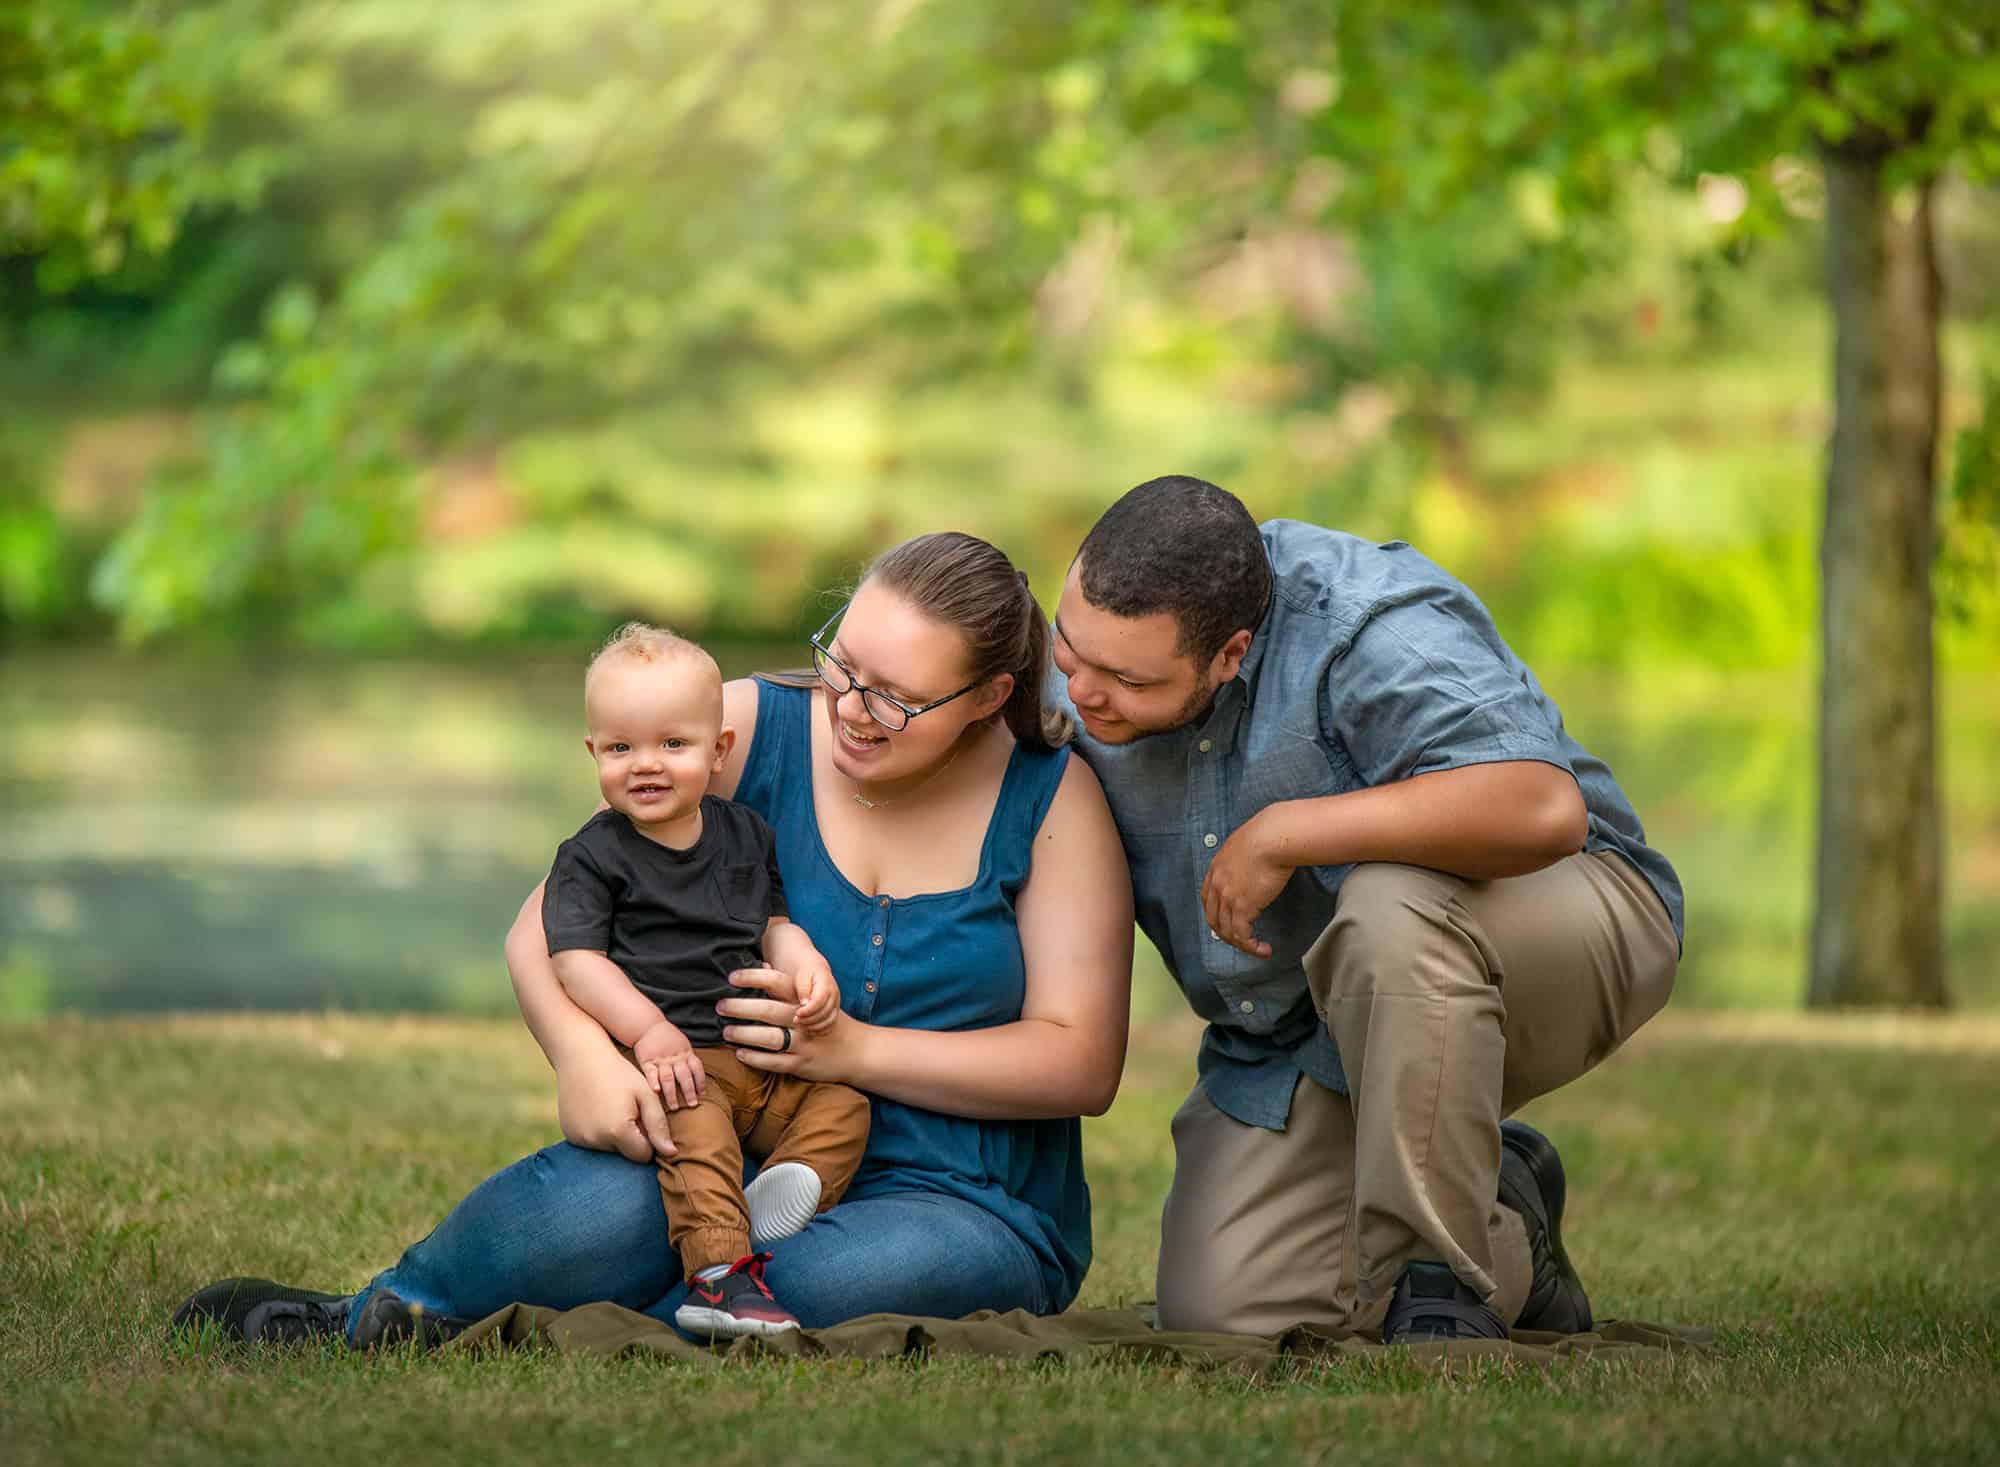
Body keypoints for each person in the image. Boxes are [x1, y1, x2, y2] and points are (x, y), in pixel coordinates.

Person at [173, 531, 1133, 1348]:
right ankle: (380, 1313)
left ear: (985, 695)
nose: (846, 707)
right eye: (841, 664)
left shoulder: (1052, 799)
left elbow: (1080, 1062)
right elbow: (545, 924)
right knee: (587, 1213)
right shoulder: (743, 731)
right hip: (726, 1132)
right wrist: (582, 1058)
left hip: (954, 1192)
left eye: (892, 698)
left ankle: (641, 1320)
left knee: (822, 1282)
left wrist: (855, 1051)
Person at [1048, 476, 1681, 1343]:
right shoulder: (1078, 674)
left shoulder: (1363, 623)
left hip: (1570, 915)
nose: (1080, 693)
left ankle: (1445, 1286)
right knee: (1226, 1311)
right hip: (1307, 1021)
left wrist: (1287, 833)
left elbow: (1543, 808)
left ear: (1230, 653)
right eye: (1068, 649)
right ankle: (1510, 1219)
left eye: (1123, 678)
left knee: (1386, 904)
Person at [543, 622, 870, 1338]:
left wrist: (804, 958)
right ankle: (720, 1280)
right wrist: (647, 1031)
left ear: (719, 750)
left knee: (845, 1104)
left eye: (673, 744)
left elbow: (772, 923)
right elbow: (574, 960)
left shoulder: (745, 833)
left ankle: (765, 1200)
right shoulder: (594, 856)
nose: (646, 764)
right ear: (593, 752)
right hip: (675, 1061)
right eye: (621, 747)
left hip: (760, 1063)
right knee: (697, 1133)